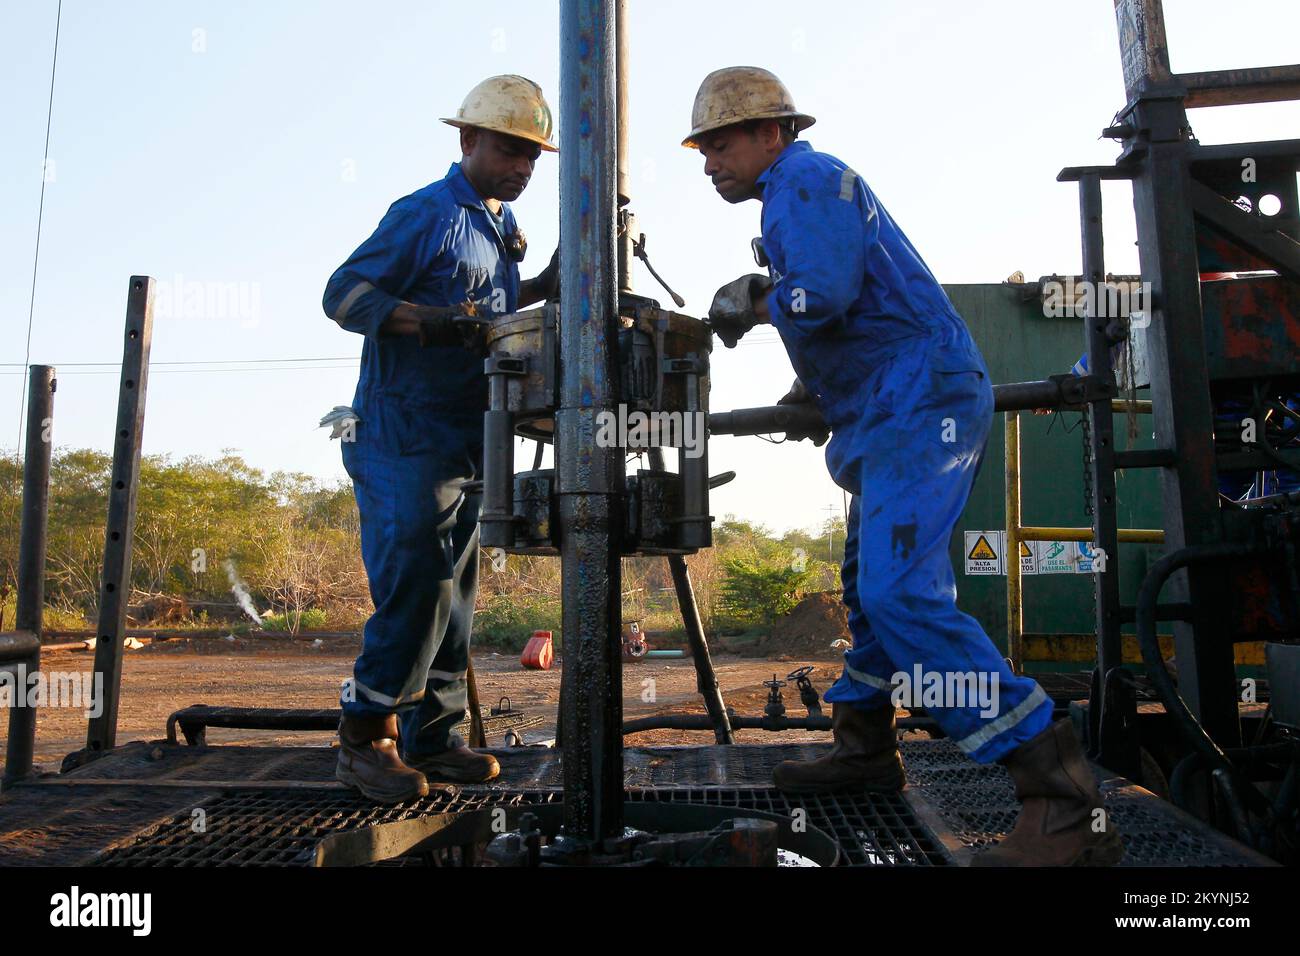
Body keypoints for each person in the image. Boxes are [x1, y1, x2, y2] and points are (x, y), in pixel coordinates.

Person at [685, 66, 1123, 865]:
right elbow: (842, 318)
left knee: (900, 594)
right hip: (888, 409)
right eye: (703, 147)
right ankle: (865, 749)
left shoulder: (803, 180)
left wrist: (750, 302)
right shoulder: (799, 190)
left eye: (720, 143)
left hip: (921, 405)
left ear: (771, 133)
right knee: (867, 590)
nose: (710, 161)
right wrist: (805, 385)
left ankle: (1059, 797)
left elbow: (822, 297)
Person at [322, 75, 559, 803]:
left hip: (467, 436)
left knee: (456, 592)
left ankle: (434, 736)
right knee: (418, 585)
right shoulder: (426, 213)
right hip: (403, 432)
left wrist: (563, 272)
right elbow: (344, 296)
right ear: (467, 141)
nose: (521, 166)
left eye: (532, 156)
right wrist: (427, 320)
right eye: (509, 149)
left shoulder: (499, 230)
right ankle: (367, 737)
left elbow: (495, 310)